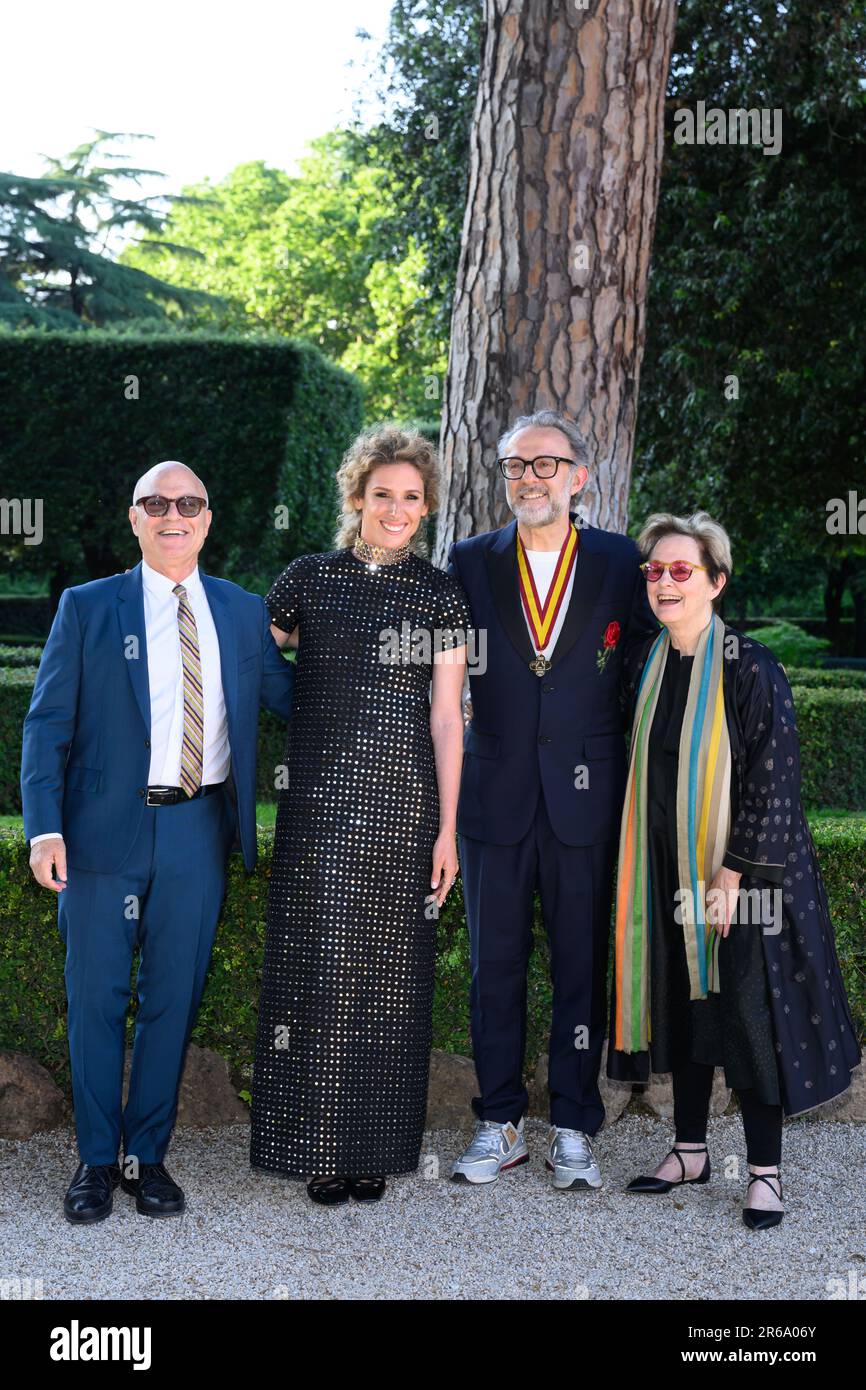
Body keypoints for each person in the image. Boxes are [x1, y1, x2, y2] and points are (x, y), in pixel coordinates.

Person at [21, 461, 295, 1224]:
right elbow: (46, 726)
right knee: (97, 1002)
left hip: (198, 832)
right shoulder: (87, 607)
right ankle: (96, 1161)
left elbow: (301, 700)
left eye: (189, 503)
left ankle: (148, 1157)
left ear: (208, 519)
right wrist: (44, 827)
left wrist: (418, 694)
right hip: (101, 833)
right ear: (135, 518)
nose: (174, 514)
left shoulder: (243, 612)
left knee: (173, 1002)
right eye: (157, 503)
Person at [608, 510, 862, 1229]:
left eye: (681, 570)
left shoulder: (751, 667)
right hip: (664, 866)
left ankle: (765, 1172)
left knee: (748, 1014)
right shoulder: (645, 665)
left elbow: (773, 781)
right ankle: (689, 1150)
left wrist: (731, 876)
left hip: (746, 881)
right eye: (654, 571)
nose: (664, 582)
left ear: (716, 582)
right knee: (690, 1011)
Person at [250, 425, 471, 1206]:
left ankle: (373, 1146)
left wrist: (446, 828)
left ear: (427, 507)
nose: (398, 509)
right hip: (316, 806)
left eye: (412, 498)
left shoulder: (442, 591)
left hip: (406, 807)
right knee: (317, 972)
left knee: (390, 979)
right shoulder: (306, 579)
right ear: (357, 497)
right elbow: (250, 662)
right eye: (384, 495)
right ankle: (317, 1144)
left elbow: (450, 717)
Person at [448, 409, 657, 1190]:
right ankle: (498, 1123)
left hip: (585, 799)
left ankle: (573, 1126)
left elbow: (651, 656)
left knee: (579, 967)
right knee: (491, 968)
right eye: (514, 466)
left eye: (544, 464)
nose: (528, 478)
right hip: (492, 796)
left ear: (579, 476)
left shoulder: (615, 560)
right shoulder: (469, 560)